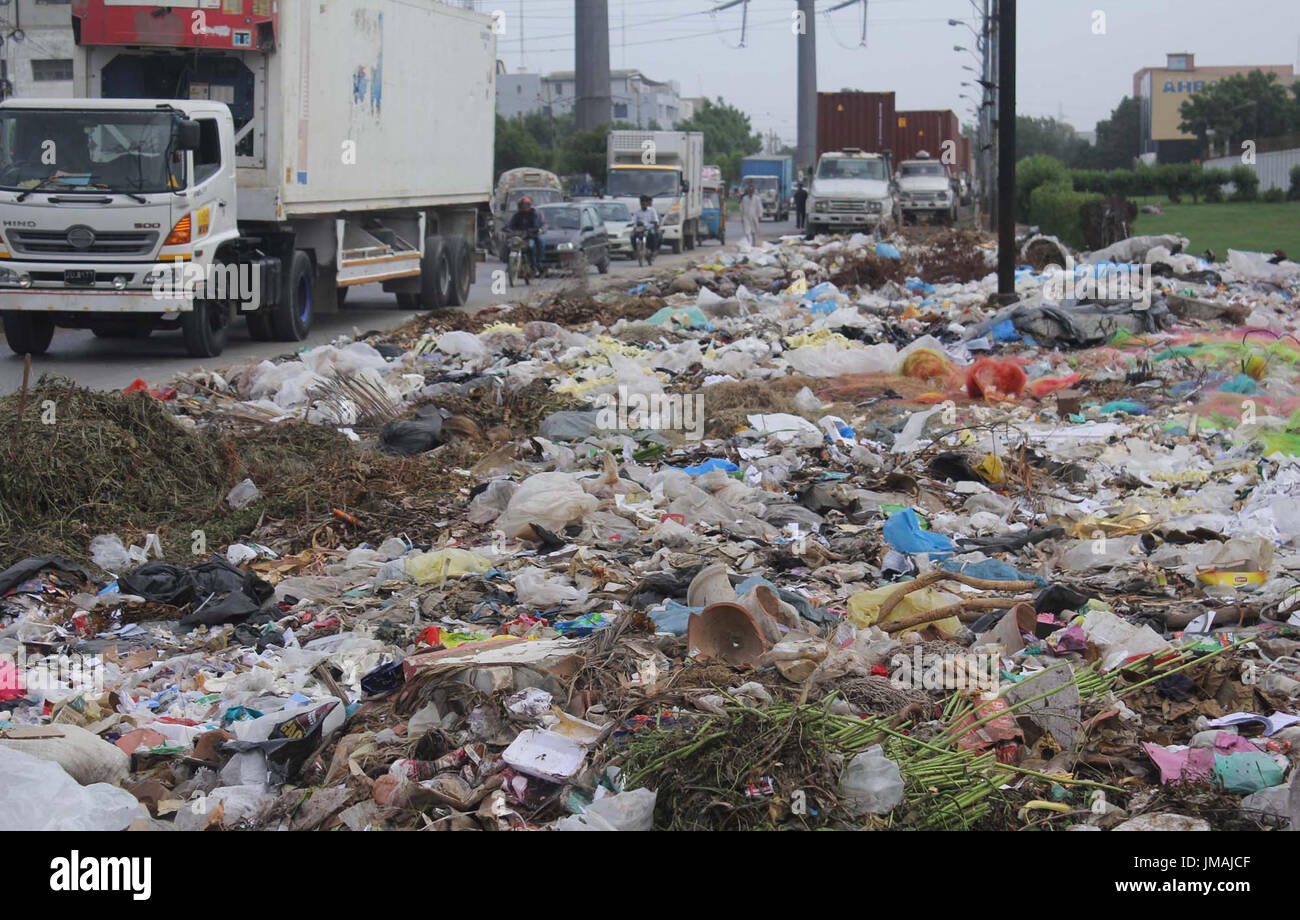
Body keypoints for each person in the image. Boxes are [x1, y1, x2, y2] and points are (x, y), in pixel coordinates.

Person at [506, 197, 545, 272]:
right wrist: (507, 229)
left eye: (525, 205)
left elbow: (537, 225)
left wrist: (538, 230)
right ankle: (509, 264)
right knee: (508, 245)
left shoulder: (534, 213)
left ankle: (536, 263)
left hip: (531, 235)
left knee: (536, 244)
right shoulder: (517, 215)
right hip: (520, 236)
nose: (523, 206)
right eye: (521, 205)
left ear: (529, 205)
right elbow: (511, 224)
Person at [740, 182, 762, 247]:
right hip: (746, 217)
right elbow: (741, 208)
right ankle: (749, 245)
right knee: (747, 232)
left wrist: (760, 215)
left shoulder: (757, 199)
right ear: (748, 191)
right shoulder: (744, 199)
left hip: (754, 217)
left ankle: (754, 244)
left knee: (754, 232)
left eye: (752, 190)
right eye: (749, 190)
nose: (750, 191)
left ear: (753, 191)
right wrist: (741, 217)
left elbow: (759, 207)